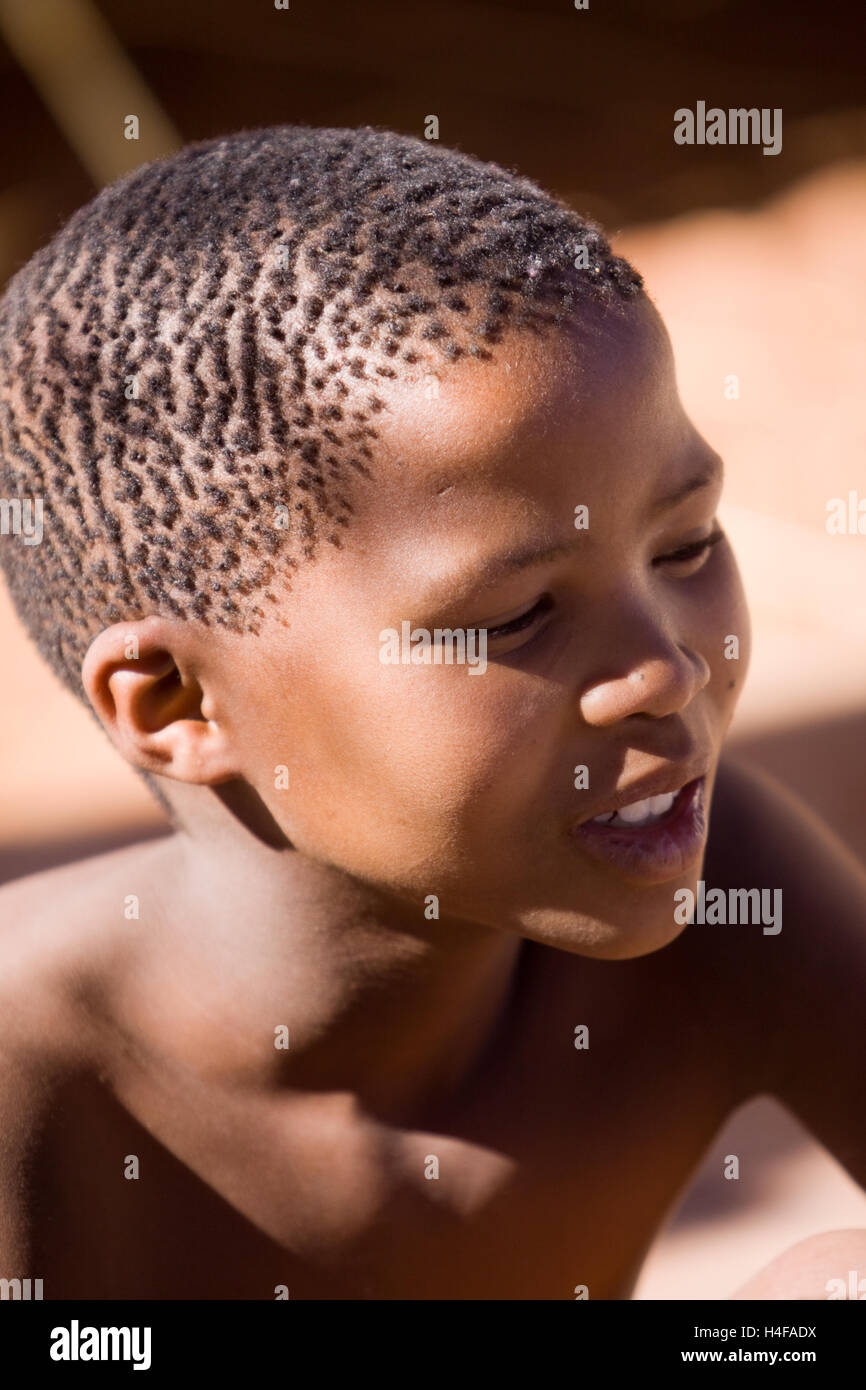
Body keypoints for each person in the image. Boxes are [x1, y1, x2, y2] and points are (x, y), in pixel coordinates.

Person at [0, 124, 863, 1300]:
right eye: (515, 618)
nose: (663, 669)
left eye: (685, 544)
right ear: (178, 701)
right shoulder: (32, 1095)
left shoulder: (730, 897)